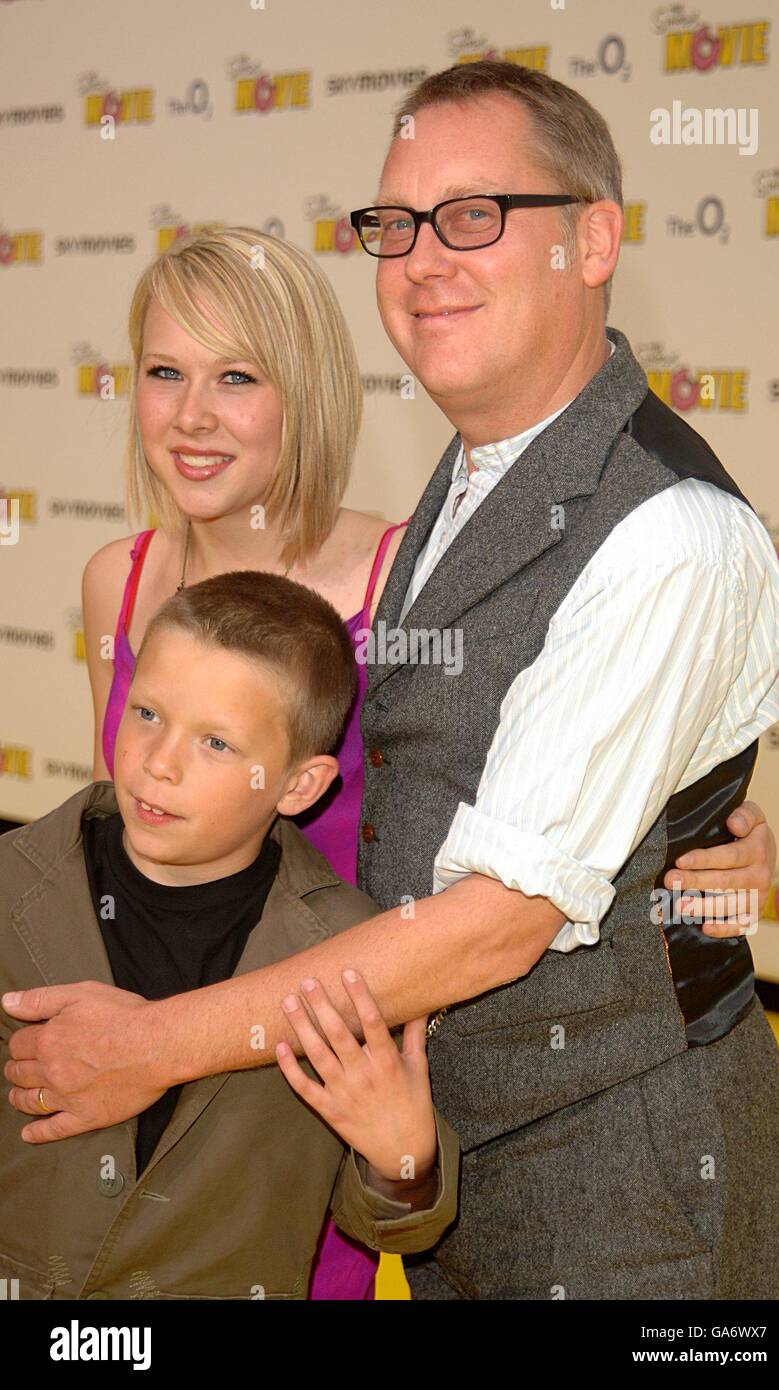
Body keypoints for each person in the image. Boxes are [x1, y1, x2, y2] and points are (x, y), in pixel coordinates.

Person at [4, 65, 779, 1300]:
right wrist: (692, 868)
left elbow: (509, 905)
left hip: (563, 1165)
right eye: (396, 225)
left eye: (475, 215)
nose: (425, 258)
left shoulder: (648, 529)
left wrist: (706, 867)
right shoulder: (465, 484)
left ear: (592, 241)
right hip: (374, 1130)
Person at [84, 226, 409, 1298]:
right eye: (165, 372)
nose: (191, 415)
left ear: (304, 391)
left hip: (313, 1090)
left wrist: (718, 844)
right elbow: (113, 836)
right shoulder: (115, 581)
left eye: (237, 377)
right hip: (141, 1078)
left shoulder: (399, 574)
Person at [0, 571, 459, 1299]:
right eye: (147, 713)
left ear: (298, 786)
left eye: (215, 742)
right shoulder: (11, 887)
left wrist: (402, 1156)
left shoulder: (353, 952)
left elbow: (395, 1227)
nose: (159, 762)